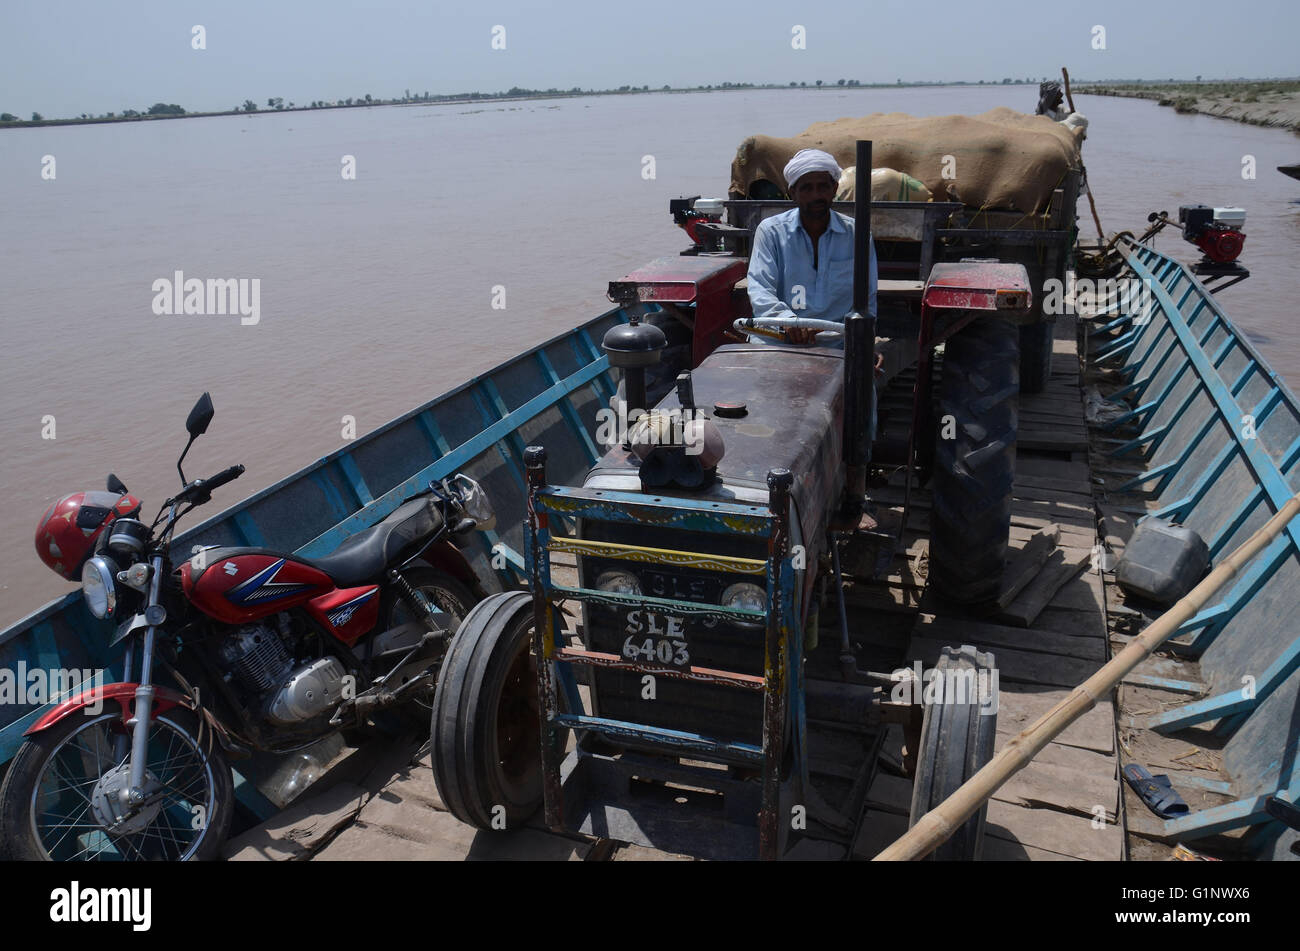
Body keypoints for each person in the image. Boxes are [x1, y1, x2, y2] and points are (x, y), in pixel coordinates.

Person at [746, 148, 878, 346]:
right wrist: (788, 322)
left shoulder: (857, 235)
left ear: (834, 189)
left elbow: (868, 299)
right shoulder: (771, 231)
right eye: (807, 188)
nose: (816, 195)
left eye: (823, 187)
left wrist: (865, 344)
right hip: (778, 340)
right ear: (793, 193)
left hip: (836, 343)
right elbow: (760, 289)